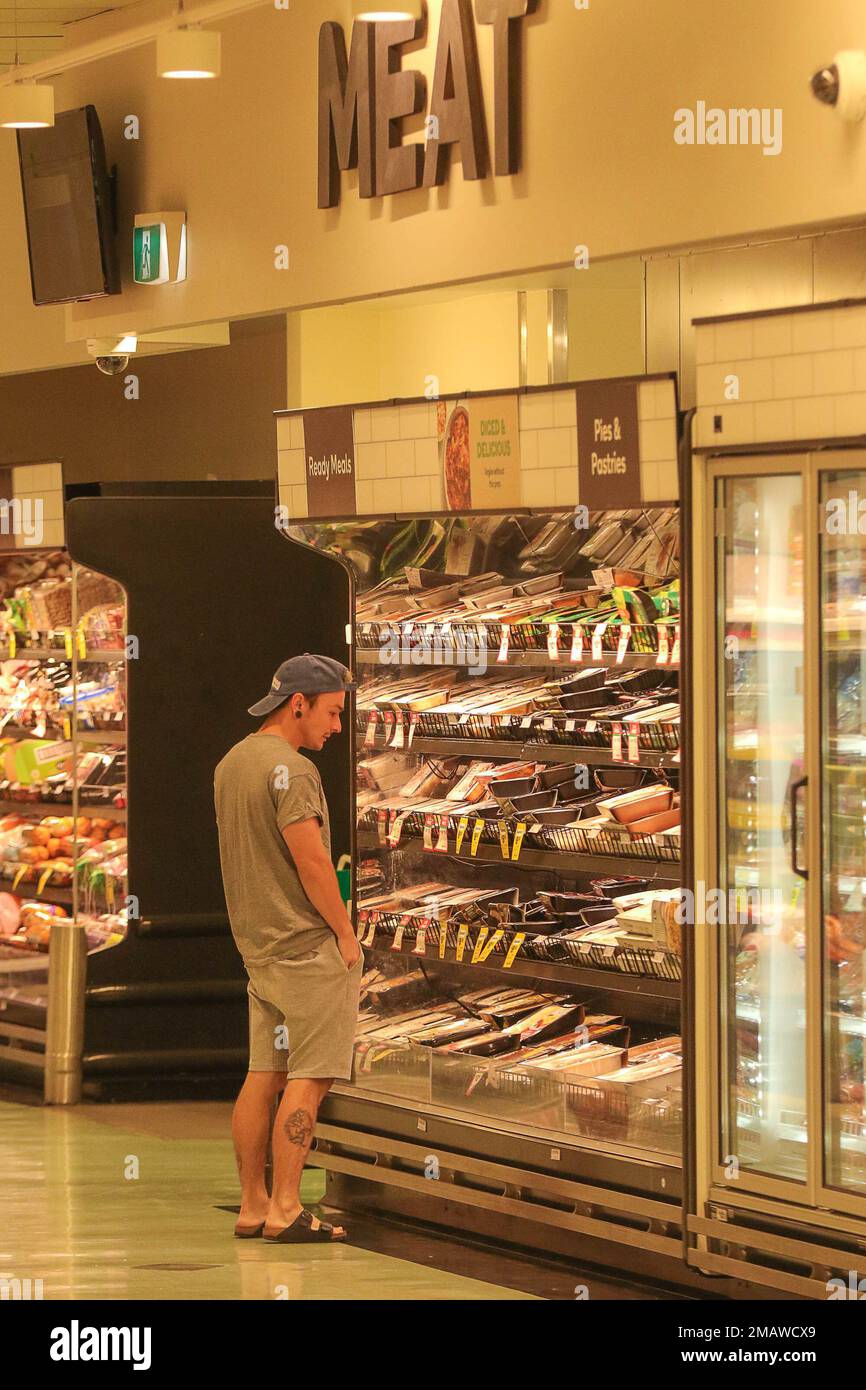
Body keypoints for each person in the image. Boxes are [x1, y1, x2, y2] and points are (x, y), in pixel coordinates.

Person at [214, 653, 362, 1244]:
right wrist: (346, 934)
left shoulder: (233, 762)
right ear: (296, 703)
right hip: (307, 948)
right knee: (310, 1077)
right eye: (331, 713)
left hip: (259, 950)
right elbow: (312, 862)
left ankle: (253, 1204)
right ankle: (287, 1207)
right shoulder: (294, 772)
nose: (336, 726)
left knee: (263, 1072)